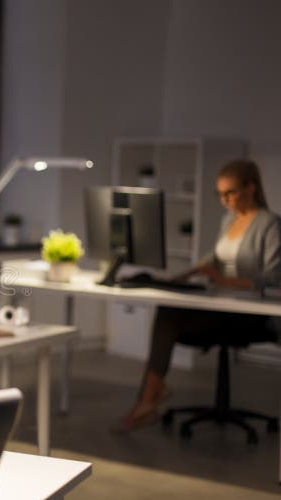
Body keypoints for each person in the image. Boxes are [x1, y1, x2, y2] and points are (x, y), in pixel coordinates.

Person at [114, 159, 281, 432]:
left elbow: (274, 278)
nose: (225, 200)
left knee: (170, 318)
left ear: (251, 188)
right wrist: (182, 277)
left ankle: (149, 397)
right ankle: (151, 394)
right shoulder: (230, 220)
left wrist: (225, 280)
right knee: (168, 309)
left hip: (250, 315)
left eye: (231, 193)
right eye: (221, 194)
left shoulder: (270, 224)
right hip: (221, 305)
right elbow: (212, 260)